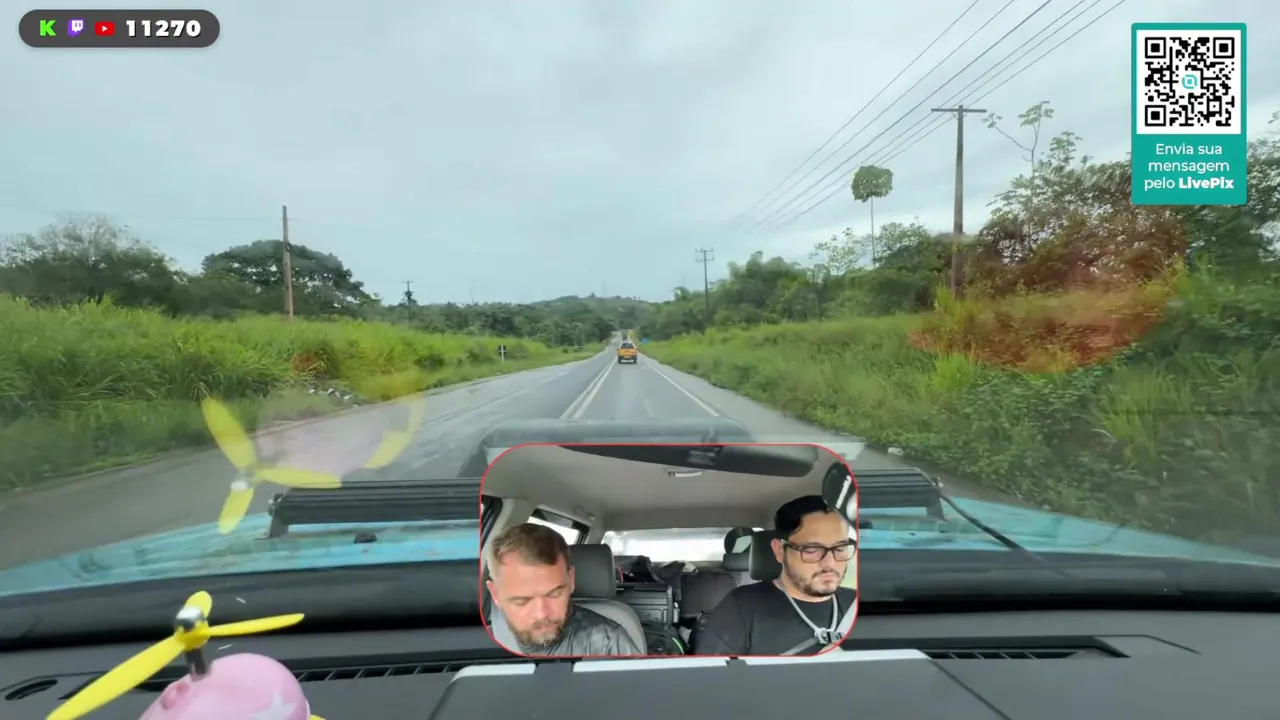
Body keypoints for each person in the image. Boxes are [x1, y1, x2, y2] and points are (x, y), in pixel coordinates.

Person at [693, 495, 858, 656]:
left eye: (840, 548)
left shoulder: (856, 604)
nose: (829, 563)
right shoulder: (739, 608)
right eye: (811, 550)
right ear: (779, 550)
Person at [485, 522, 644, 656]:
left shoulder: (606, 643)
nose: (542, 614)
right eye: (521, 601)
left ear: (571, 580)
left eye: (555, 594)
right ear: (495, 594)